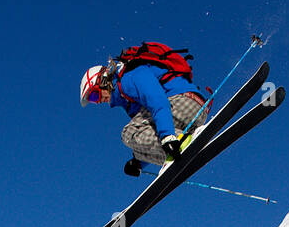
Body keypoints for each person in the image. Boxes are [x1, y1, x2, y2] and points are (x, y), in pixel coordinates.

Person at [80, 54, 211, 177]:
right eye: (93, 100)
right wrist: (138, 162)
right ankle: (183, 147)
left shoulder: (130, 76)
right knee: (137, 147)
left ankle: (182, 141)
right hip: (193, 111)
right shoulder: (127, 99)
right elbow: (151, 132)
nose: (98, 101)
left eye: (94, 95)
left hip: (183, 101)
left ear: (103, 80)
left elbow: (157, 100)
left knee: (128, 132)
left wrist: (168, 136)